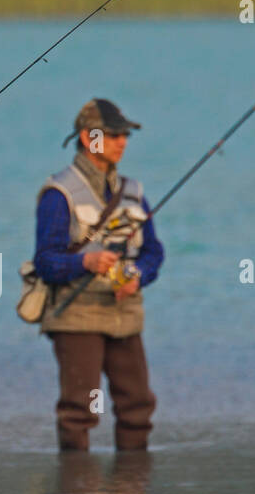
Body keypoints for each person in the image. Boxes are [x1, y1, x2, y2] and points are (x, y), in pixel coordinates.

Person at [33, 99, 165, 451]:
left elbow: (153, 251)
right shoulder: (58, 194)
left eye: (124, 135)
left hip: (125, 315)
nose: (122, 141)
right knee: (80, 411)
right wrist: (85, 264)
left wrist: (138, 275)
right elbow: (45, 261)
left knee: (138, 406)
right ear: (87, 138)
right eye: (113, 134)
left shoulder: (134, 193)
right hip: (77, 318)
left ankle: (133, 491)